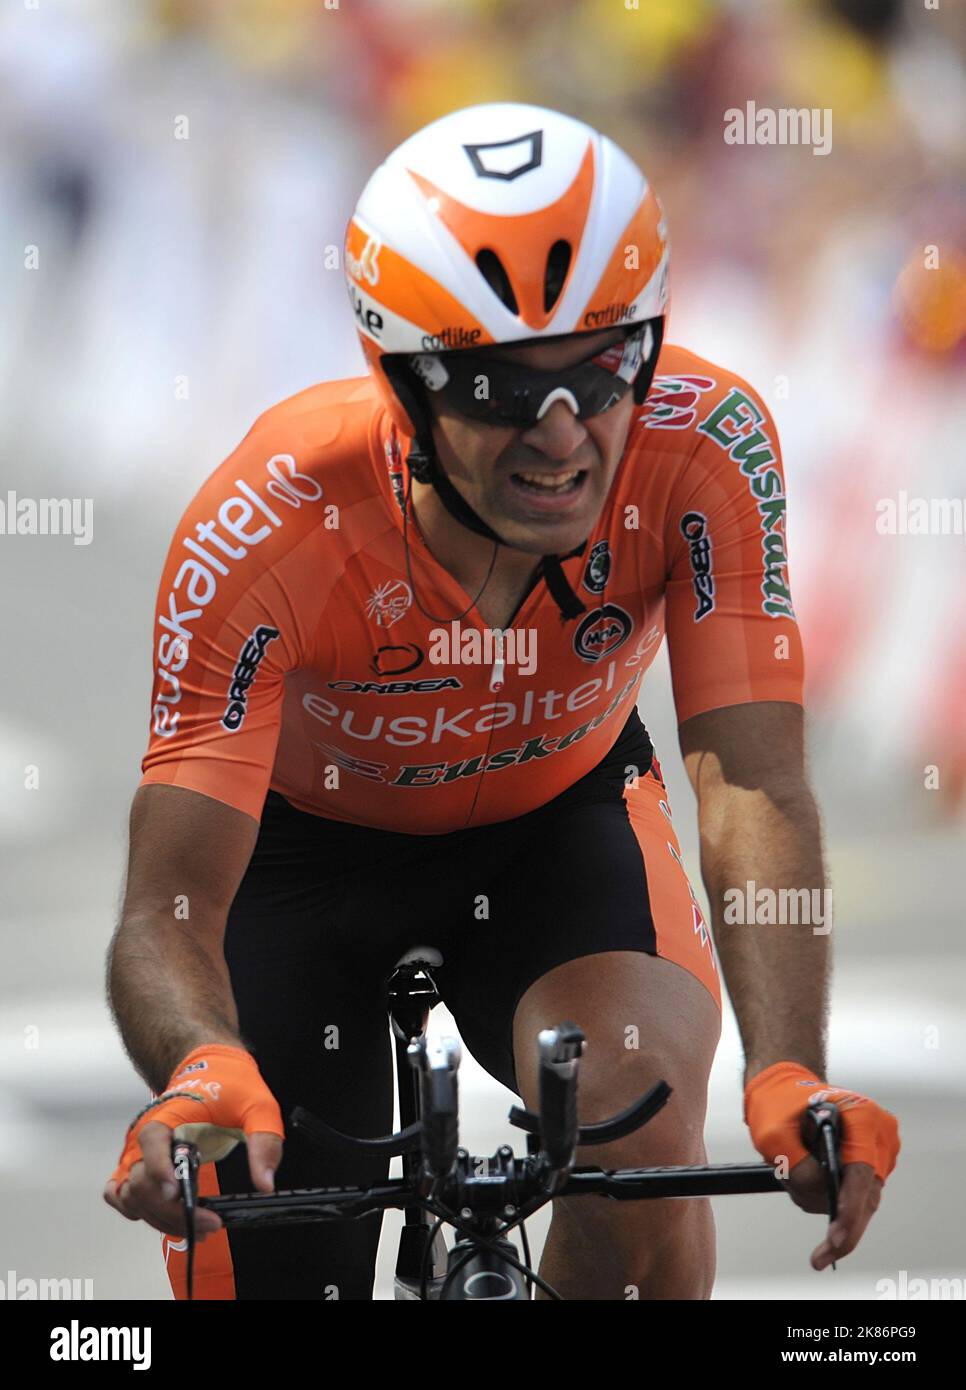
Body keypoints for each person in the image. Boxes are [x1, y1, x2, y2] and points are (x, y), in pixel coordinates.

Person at [104, 102, 899, 1300]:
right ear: (405, 383)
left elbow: (753, 779)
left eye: (605, 367)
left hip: (557, 830)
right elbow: (164, 905)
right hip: (294, 865)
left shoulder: (708, 444)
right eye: (497, 387)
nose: (563, 435)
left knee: (640, 1140)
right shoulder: (266, 521)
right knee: (264, 1237)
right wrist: (199, 1062)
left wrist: (789, 1069)